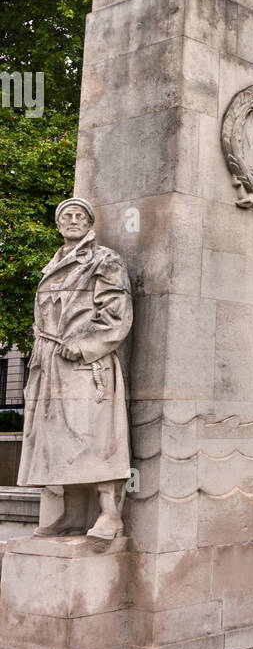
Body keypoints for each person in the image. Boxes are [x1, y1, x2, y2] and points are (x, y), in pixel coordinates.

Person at [18, 197, 133, 542]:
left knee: (95, 435)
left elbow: (117, 313)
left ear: (89, 223)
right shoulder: (52, 264)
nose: (71, 219)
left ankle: (110, 514)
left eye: (78, 215)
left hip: (86, 363)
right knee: (58, 440)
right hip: (51, 362)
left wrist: (84, 345)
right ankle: (71, 514)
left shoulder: (104, 259)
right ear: (57, 225)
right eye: (65, 215)